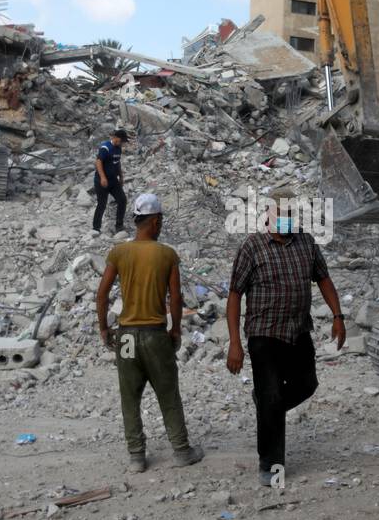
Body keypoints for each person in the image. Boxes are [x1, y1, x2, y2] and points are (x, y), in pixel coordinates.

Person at [225, 187, 345, 487]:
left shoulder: (306, 242)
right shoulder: (252, 247)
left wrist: (338, 317)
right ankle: (271, 464)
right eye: (283, 215)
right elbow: (235, 295)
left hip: (298, 331)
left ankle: (266, 404)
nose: (288, 221)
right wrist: (235, 343)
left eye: (292, 215)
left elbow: (323, 279)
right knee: (273, 396)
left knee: (307, 385)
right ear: (269, 215)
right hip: (264, 334)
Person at [96, 193, 204, 473]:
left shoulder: (118, 253)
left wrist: (105, 329)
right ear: (155, 221)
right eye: (161, 220)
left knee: (130, 397)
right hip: (155, 336)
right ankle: (181, 451)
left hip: (127, 337)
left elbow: (102, 294)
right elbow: (176, 298)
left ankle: (136, 457)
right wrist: (176, 329)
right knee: (168, 394)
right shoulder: (166, 254)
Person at [93, 129, 130, 235]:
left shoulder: (118, 148)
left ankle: (119, 225)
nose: (123, 143)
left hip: (113, 180)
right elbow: (98, 162)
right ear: (117, 138)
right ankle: (96, 228)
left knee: (122, 200)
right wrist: (103, 178)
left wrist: (121, 177)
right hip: (101, 180)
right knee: (102, 204)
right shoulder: (105, 147)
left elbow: (117, 163)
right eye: (122, 141)